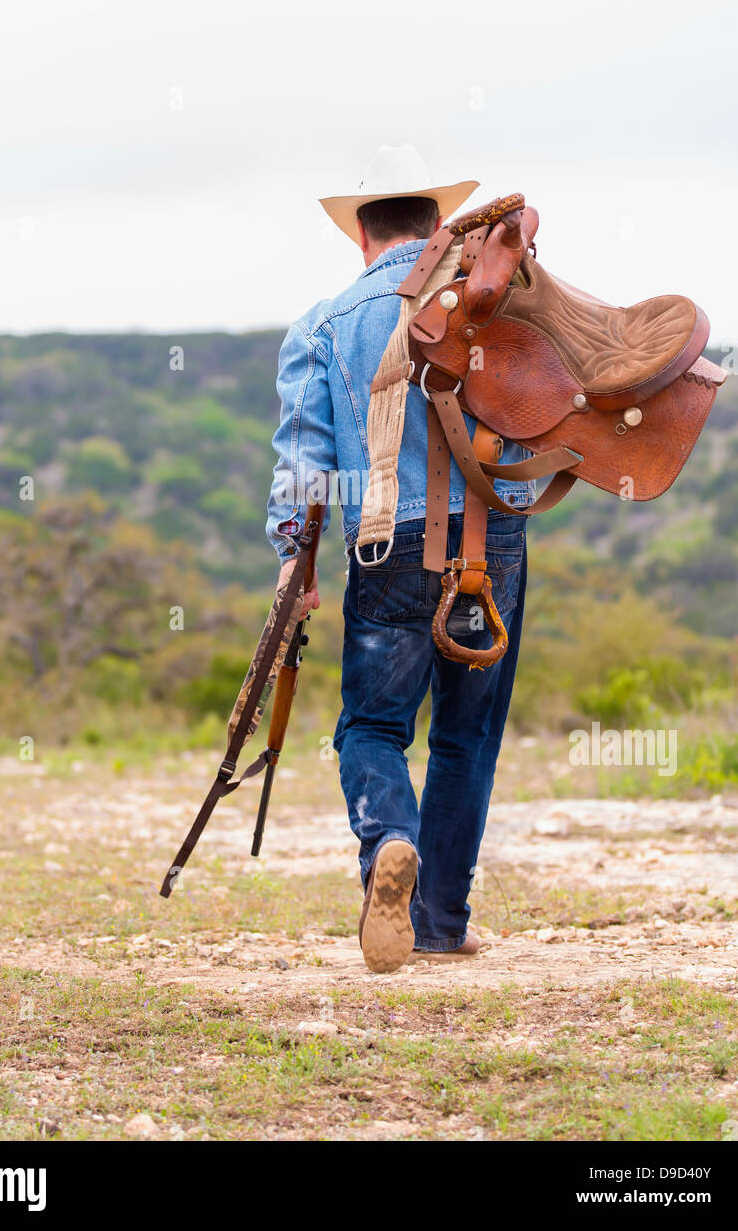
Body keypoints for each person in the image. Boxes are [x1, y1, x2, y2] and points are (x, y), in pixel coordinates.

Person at [266, 145, 532, 973]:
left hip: (387, 544)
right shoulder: (498, 301)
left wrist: (294, 567)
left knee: (374, 726)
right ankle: (443, 922)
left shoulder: (323, 323)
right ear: (437, 226)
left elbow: (306, 469)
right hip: (498, 538)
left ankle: (388, 838)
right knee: (468, 734)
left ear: (361, 236)